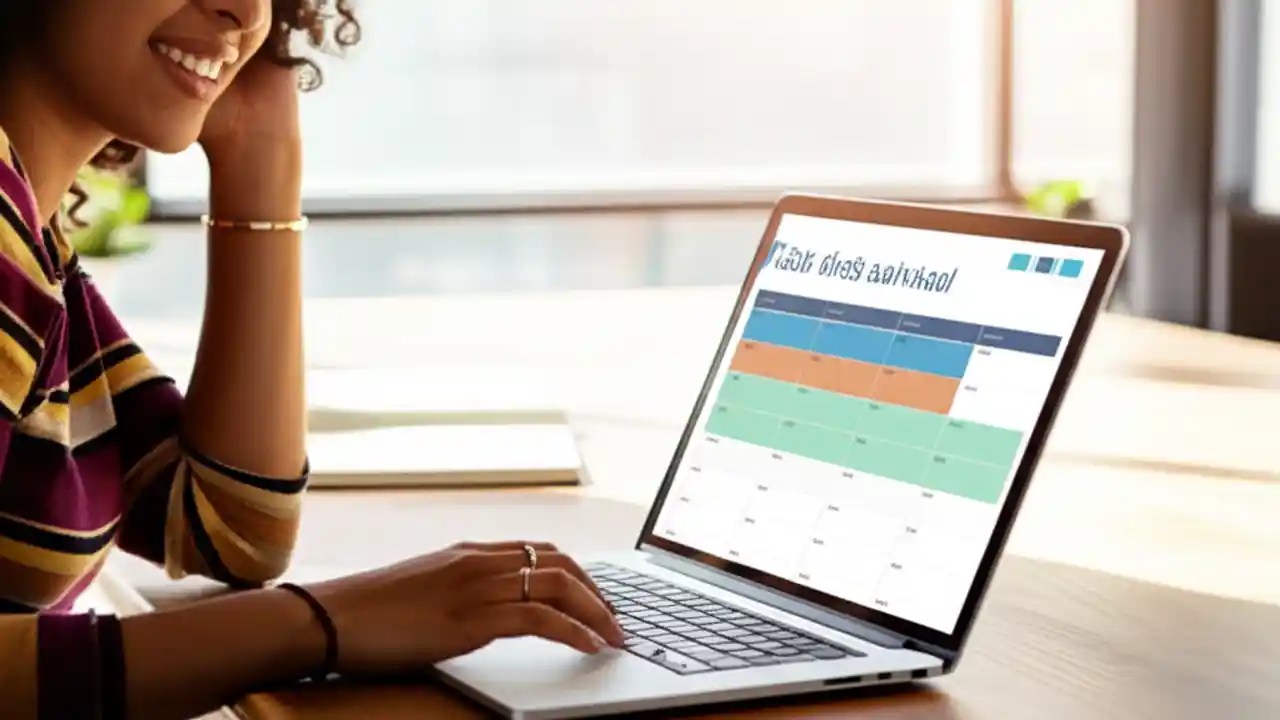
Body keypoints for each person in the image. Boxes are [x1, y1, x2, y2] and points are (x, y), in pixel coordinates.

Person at [0, 2, 625, 718]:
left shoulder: (35, 244)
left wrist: (260, 155)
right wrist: (326, 620)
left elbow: (231, 525)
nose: (246, 11)